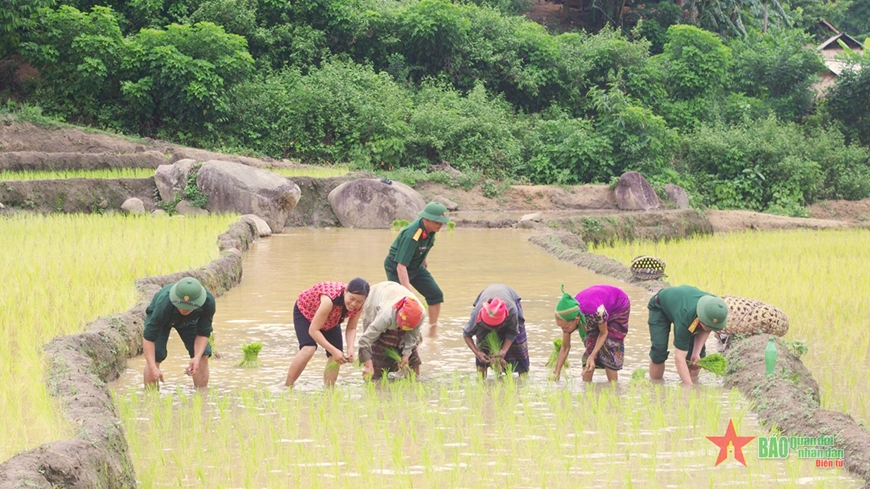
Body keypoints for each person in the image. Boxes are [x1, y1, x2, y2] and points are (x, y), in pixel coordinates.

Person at [284, 278, 370, 387]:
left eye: (359, 301)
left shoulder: (360, 305)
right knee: (309, 348)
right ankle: (288, 386)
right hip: (306, 312)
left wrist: (350, 348)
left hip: (332, 318)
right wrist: (333, 350)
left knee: (336, 355)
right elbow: (313, 330)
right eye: (351, 298)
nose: (354, 304)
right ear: (345, 292)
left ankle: (329, 391)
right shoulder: (329, 300)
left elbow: (352, 328)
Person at [384, 202, 450, 335]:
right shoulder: (412, 234)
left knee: (435, 294)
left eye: (442, 222)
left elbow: (422, 246)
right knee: (403, 302)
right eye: (438, 222)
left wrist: (423, 259)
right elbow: (401, 266)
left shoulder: (431, 230)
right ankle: (398, 332)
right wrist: (408, 292)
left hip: (416, 266)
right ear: (426, 220)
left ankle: (432, 329)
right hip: (397, 268)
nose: (440, 225)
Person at [647, 285, 728, 385]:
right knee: (659, 352)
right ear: (702, 320)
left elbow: (707, 328)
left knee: (696, 357)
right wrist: (689, 388)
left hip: (688, 309)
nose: (711, 329)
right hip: (660, 307)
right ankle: (655, 385)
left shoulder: (715, 307)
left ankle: (692, 380)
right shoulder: (685, 316)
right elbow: (679, 357)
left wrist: (696, 353)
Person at [143, 277, 215, 389]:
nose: (183, 310)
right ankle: (151, 397)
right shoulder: (164, 303)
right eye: (181, 306)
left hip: (191, 321)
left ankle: (201, 395)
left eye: (188, 308)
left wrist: (196, 357)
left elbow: (203, 333)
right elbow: (148, 338)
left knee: (203, 355)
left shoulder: (208, 302)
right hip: (163, 320)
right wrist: (153, 368)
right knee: (155, 355)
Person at [552, 284, 630, 382]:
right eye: (561, 327)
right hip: (595, 310)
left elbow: (603, 333)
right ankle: (587, 388)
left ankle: (613, 388)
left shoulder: (597, 311)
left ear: (576, 320)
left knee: (610, 346)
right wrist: (557, 371)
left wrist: (593, 356)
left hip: (618, 305)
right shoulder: (568, 316)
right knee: (589, 348)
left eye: (565, 327)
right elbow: (565, 347)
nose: (564, 330)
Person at [357, 281, 426, 380]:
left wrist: (406, 355)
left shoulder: (421, 313)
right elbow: (365, 340)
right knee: (377, 345)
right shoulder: (386, 315)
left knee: (412, 355)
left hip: (395, 292)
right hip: (376, 296)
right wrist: (368, 363)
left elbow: (412, 337)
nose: (402, 330)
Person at [462, 284, 529, 378]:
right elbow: (466, 334)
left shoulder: (512, 311)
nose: (494, 330)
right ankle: (482, 381)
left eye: (496, 326)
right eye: (489, 326)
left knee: (518, 346)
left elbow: (513, 332)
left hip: (509, 299)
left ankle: (523, 379)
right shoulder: (477, 314)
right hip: (485, 303)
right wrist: (477, 353)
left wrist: (504, 350)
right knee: (482, 347)